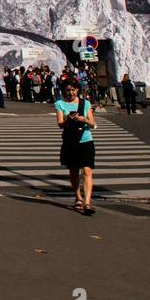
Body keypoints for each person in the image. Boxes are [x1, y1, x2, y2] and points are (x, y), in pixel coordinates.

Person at [55, 79, 96, 215]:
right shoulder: (60, 104)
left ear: (77, 90)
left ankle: (87, 202)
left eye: (73, 90)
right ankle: (78, 197)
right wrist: (68, 119)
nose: (71, 92)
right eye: (68, 90)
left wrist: (83, 119)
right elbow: (60, 124)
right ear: (64, 91)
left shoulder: (85, 104)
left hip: (86, 140)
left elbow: (92, 123)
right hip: (70, 141)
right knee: (73, 171)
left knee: (87, 171)